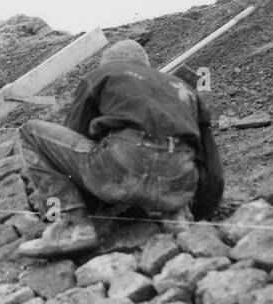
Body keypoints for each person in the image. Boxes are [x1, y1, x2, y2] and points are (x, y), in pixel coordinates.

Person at [15, 39, 224, 258]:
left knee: (30, 132)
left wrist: (53, 210)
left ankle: (72, 226)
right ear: (146, 64)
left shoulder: (102, 75)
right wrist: (204, 210)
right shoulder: (184, 87)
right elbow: (210, 159)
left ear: (107, 63)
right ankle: (176, 216)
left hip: (123, 166)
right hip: (178, 181)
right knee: (172, 156)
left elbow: (71, 144)